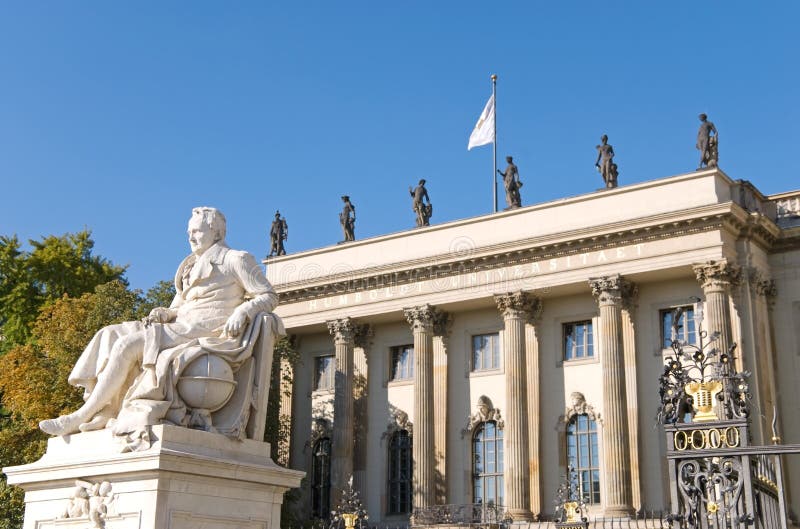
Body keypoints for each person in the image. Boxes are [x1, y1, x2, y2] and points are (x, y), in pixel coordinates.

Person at [39, 207, 278, 436]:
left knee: (127, 346)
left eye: (197, 231)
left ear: (217, 232)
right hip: (179, 324)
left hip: (205, 328)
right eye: (189, 232)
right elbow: (178, 305)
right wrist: (165, 312)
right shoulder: (190, 265)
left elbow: (269, 295)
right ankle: (107, 410)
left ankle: (80, 416)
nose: (190, 237)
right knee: (109, 334)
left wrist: (244, 310)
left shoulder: (236, 259)